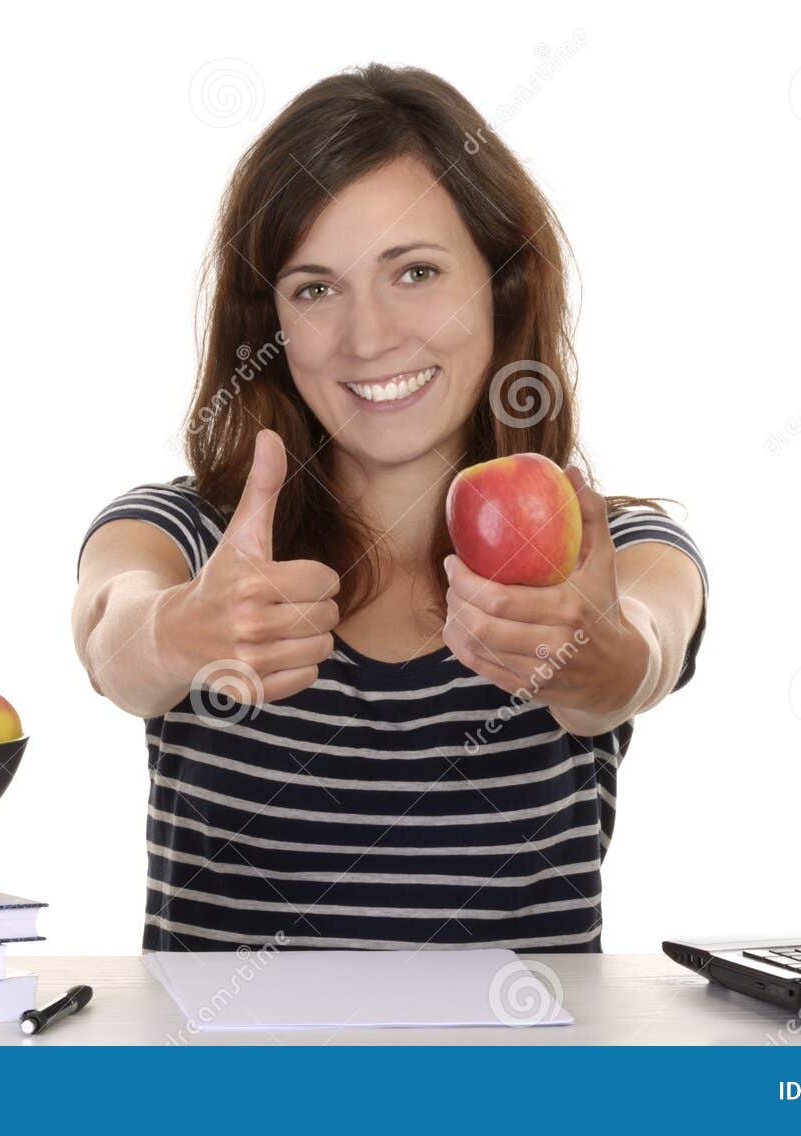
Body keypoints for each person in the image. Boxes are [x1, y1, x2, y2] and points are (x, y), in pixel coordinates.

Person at [72, 64, 707, 952]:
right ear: (270, 327)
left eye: (415, 272)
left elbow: (643, 652)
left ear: (504, 286)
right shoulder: (183, 535)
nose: (368, 338)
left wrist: (602, 663)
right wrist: (180, 632)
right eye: (315, 288)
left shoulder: (615, 548)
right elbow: (112, 636)